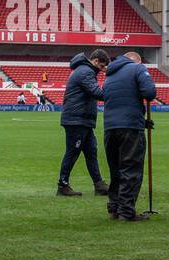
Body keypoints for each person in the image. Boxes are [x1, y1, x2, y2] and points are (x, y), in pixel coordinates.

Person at [101, 51, 157, 221]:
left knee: (116, 170)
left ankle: (114, 208)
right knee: (131, 169)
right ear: (137, 61)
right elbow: (149, 92)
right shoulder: (137, 68)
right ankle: (126, 212)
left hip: (110, 128)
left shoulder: (110, 74)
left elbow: (119, 99)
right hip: (130, 128)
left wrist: (141, 118)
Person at [56, 49, 111, 197]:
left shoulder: (84, 70)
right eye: (102, 67)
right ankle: (62, 185)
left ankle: (99, 184)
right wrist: (113, 89)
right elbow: (97, 93)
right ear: (95, 61)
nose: (102, 70)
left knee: (91, 152)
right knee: (72, 152)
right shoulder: (86, 72)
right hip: (77, 120)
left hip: (82, 119)